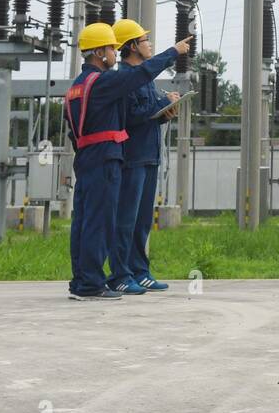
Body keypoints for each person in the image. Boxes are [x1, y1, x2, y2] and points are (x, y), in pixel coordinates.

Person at [65, 22, 191, 300]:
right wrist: (173, 51)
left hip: (88, 156)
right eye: (111, 48)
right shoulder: (103, 82)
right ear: (100, 52)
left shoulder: (78, 86)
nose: (115, 52)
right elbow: (140, 79)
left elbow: (74, 128)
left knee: (85, 222)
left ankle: (82, 282)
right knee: (100, 223)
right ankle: (92, 284)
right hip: (104, 157)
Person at [110, 18, 180, 293]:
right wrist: (163, 103)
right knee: (126, 220)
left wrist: (165, 113)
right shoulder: (125, 78)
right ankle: (121, 274)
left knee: (141, 222)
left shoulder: (145, 79)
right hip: (132, 158)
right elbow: (132, 115)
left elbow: (147, 115)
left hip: (149, 155)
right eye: (144, 40)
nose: (149, 44)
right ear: (131, 46)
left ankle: (140, 271)